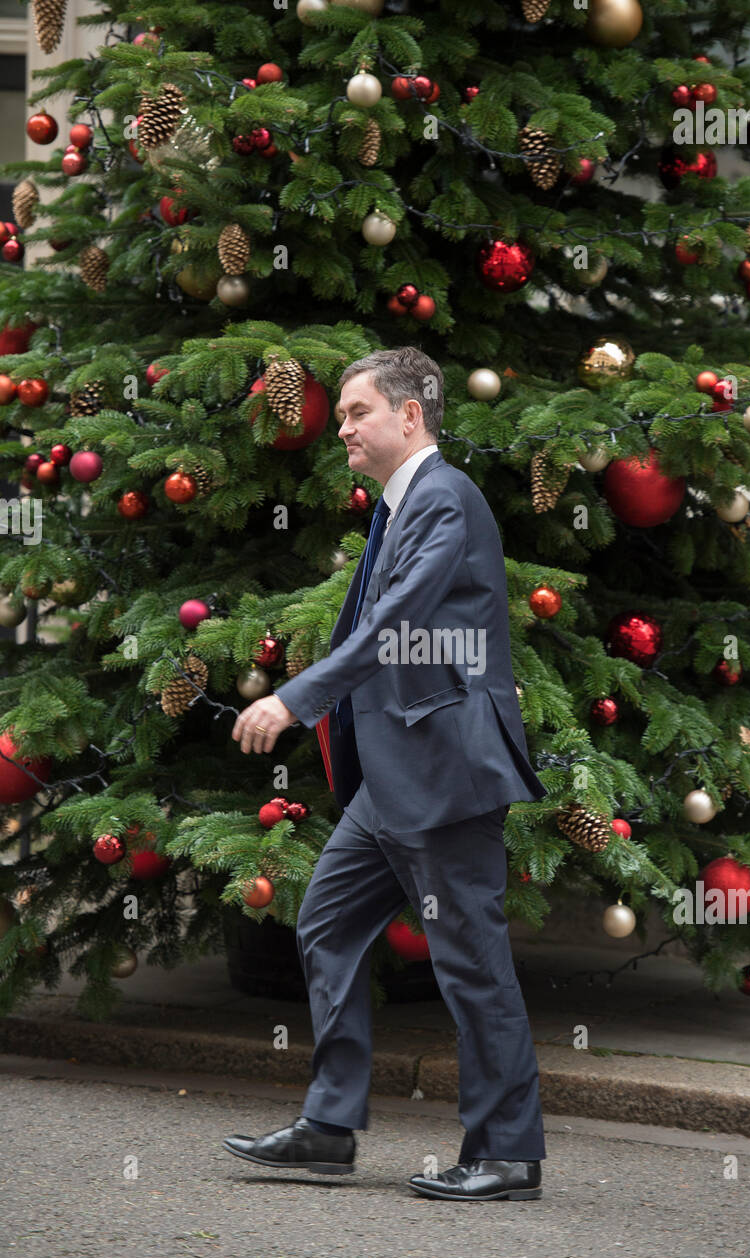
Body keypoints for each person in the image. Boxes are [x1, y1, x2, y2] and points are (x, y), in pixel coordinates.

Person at [224, 346, 548, 1201]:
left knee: (472, 964)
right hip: (394, 780)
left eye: (357, 414)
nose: (343, 432)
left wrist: (293, 701)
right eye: (341, 421)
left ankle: (507, 1154)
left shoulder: (444, 498)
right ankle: (329, 1130)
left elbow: (394, 623)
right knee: (326, 923)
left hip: (446, 774)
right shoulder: (399, 507)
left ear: (410, 414)